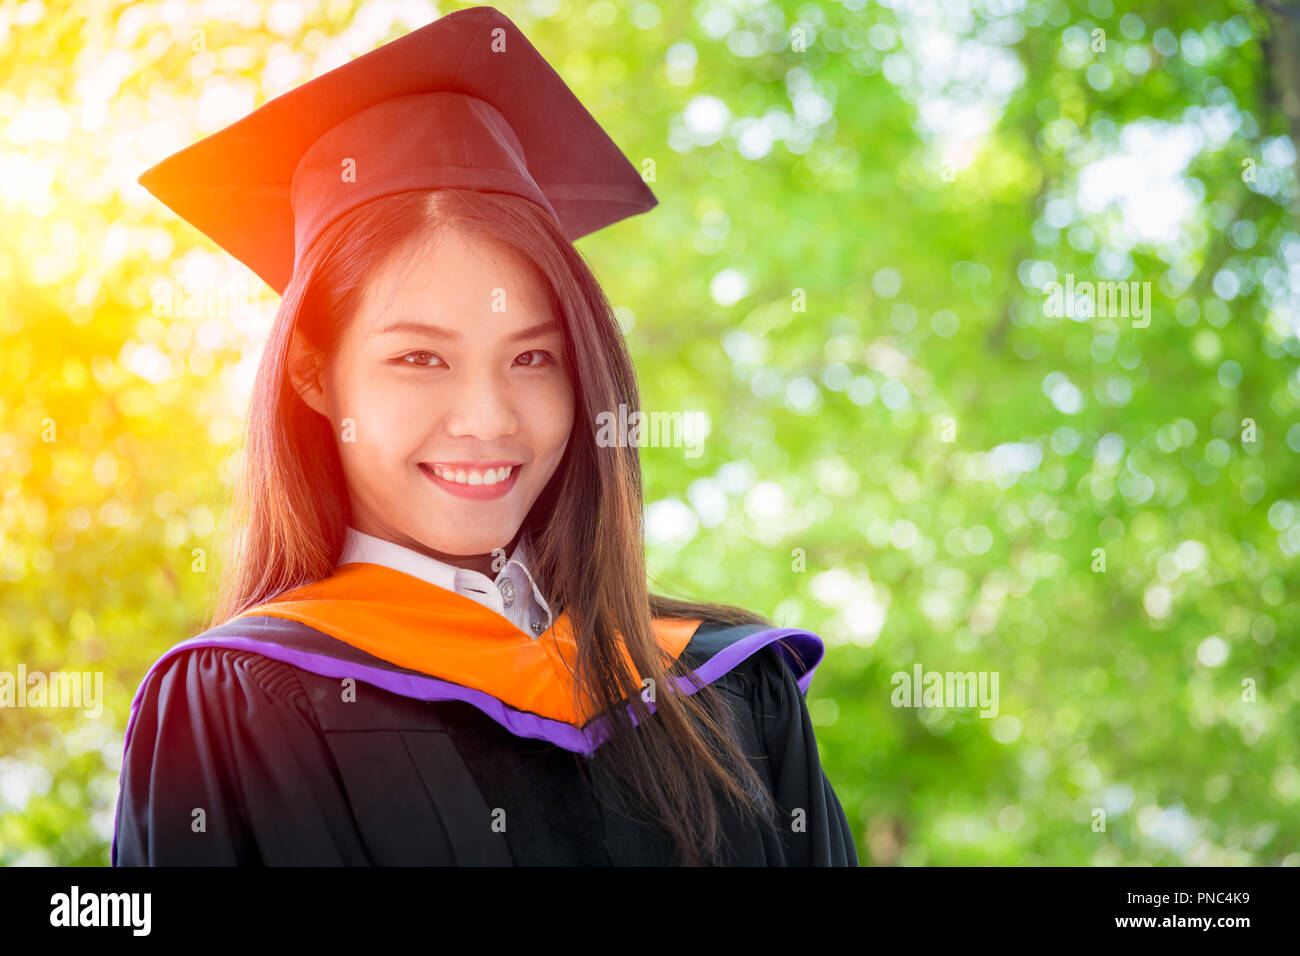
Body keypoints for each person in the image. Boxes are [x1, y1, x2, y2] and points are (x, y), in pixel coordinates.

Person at [112, 5, 857, 867]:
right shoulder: (243, 704)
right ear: (314, 375)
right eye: (421, 358)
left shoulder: (727, 687)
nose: (489, 418)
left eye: (534, 356)